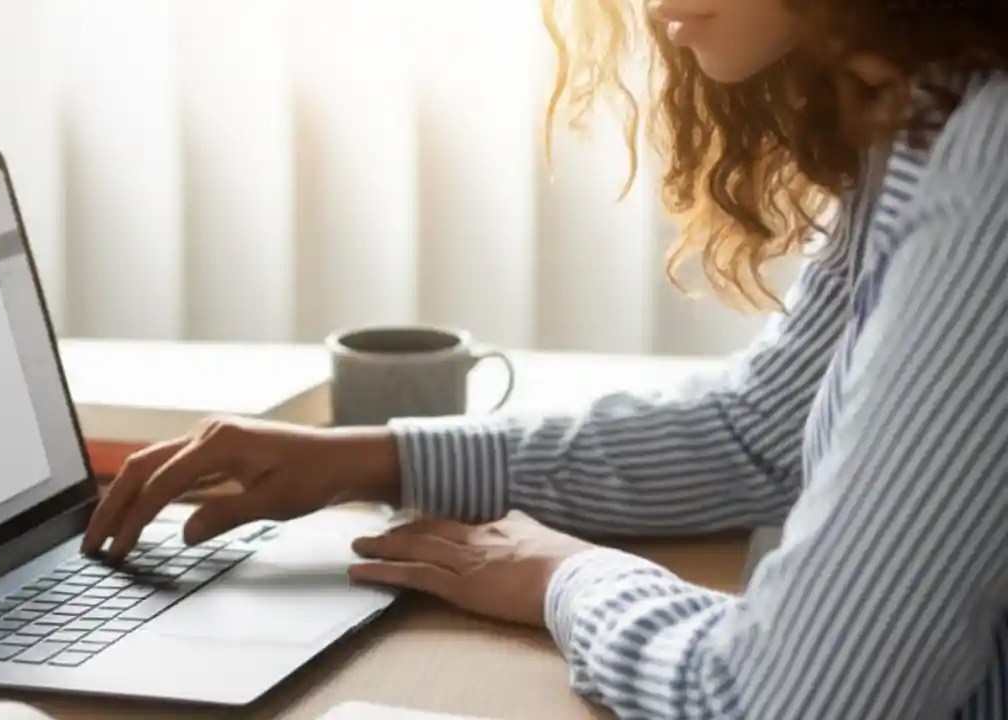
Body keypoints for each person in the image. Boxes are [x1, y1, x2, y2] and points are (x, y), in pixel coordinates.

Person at [83, 0, 1008, 716]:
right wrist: (372, 458)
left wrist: (563, 578)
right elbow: (758, 434)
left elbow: (782, 697)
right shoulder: (931, 111)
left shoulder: (990, 164)